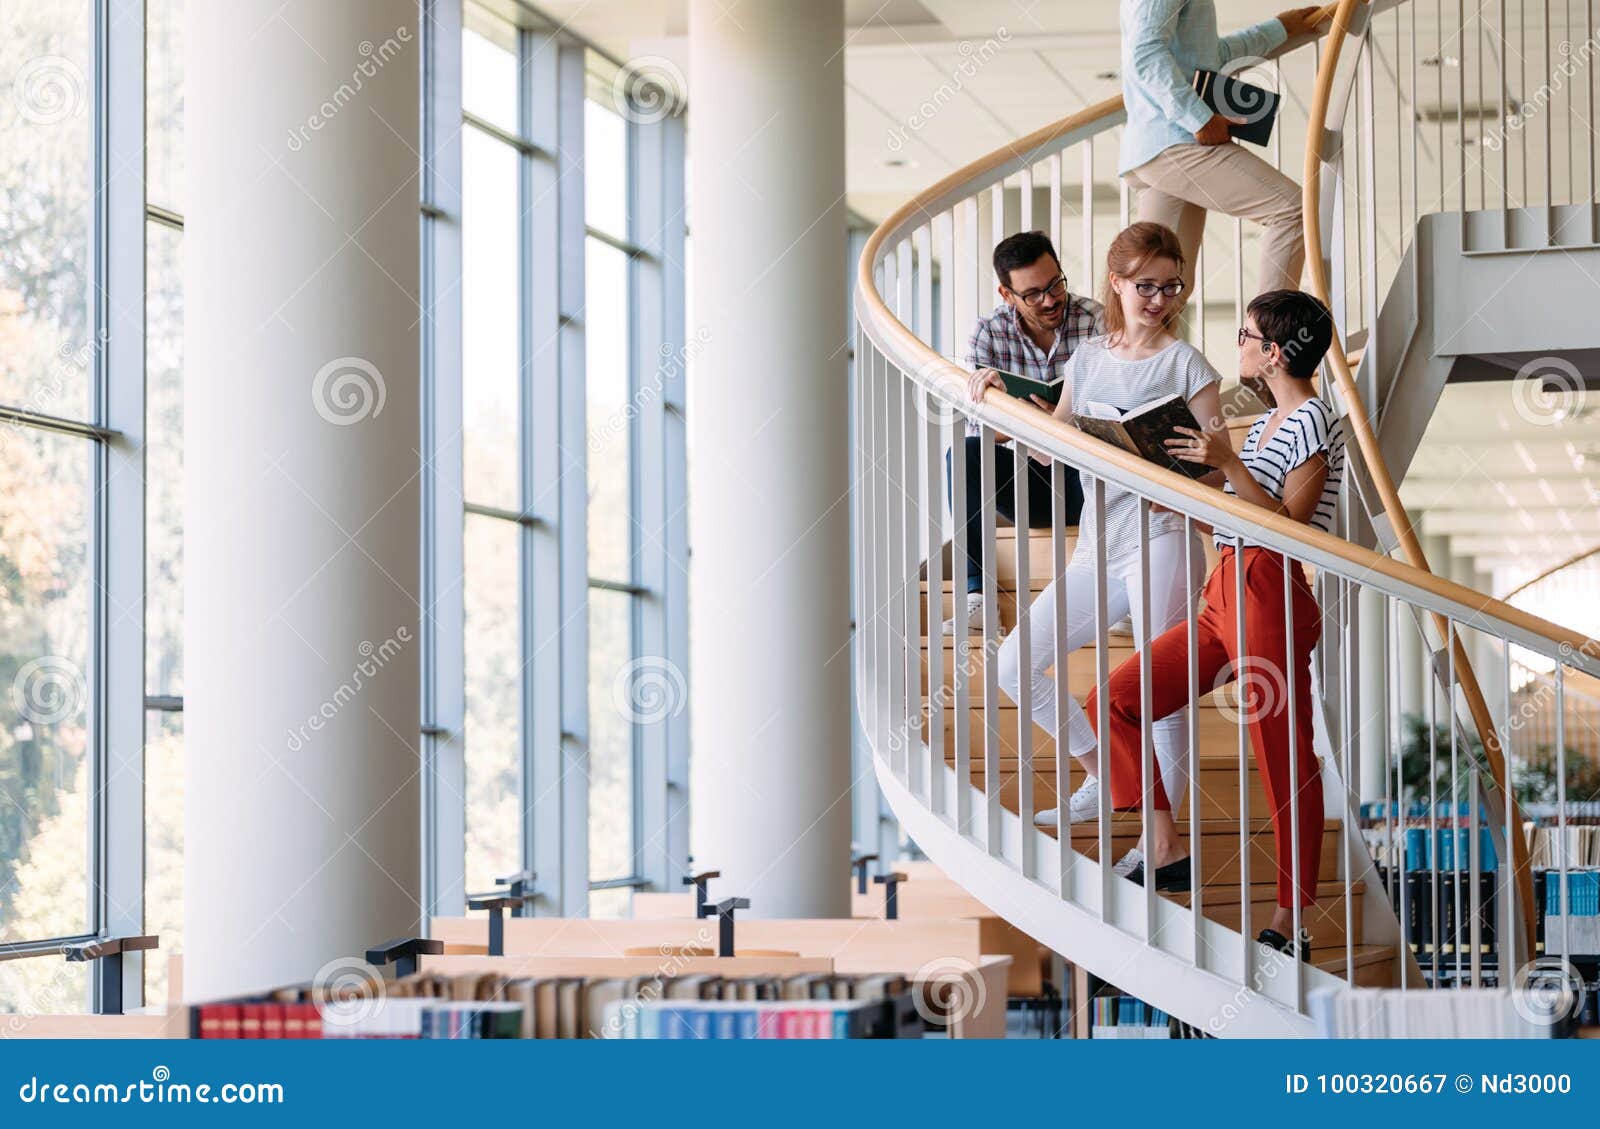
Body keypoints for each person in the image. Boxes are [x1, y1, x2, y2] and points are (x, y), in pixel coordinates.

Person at [1087, 288, 1343, 962]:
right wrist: (1175, 488)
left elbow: (1288, 527)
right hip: (1224, 584)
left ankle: (1291, 918)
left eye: (1247, 336)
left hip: (1271, 587)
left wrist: (1226, 464)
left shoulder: (1314, 420)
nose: (1240, 346)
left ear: (1275, 352)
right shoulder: (1261, 426)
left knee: (1283, 755)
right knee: (1113, 700)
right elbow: (1231, 518)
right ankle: (1164, 845)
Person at [984, 222, 1224, 864]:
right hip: (1098, 545)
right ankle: (1104, 771)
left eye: (1171, 287)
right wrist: (1002, 404)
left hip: (1163, 537)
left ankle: (1160, 845)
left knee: (1159, 697)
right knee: (1014, 665)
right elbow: (1052, 447)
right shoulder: (1087, 358)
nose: (1159, 299)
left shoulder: (1188, 365)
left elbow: (1218, 472)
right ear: (1116, 283)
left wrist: (1176, 470)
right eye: (1146, 286)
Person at [947, 231, 1102, 634]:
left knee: (1109, 457)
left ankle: (1115, 587)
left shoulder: (1096, 321)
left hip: (1090, 478)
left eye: (1055, 285)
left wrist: (1063, 421)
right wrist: (1034, 421)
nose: (1049, 300)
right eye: (1032, 294)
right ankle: (978, 597)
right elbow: (980, 430)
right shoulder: (988, 333)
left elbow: (1117, 413)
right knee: (963, 453)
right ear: (1006, 293)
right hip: (1031, 484)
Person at [1120, 2, 1326, 298]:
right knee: (1293, 210)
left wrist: (1279, 28)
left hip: (1157, 148)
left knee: (1163, 290)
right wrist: (1200, 118)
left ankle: (1132, 336)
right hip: (1175, 142)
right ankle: (1269, 325)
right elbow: (1145, 53)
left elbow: (1211, 56)